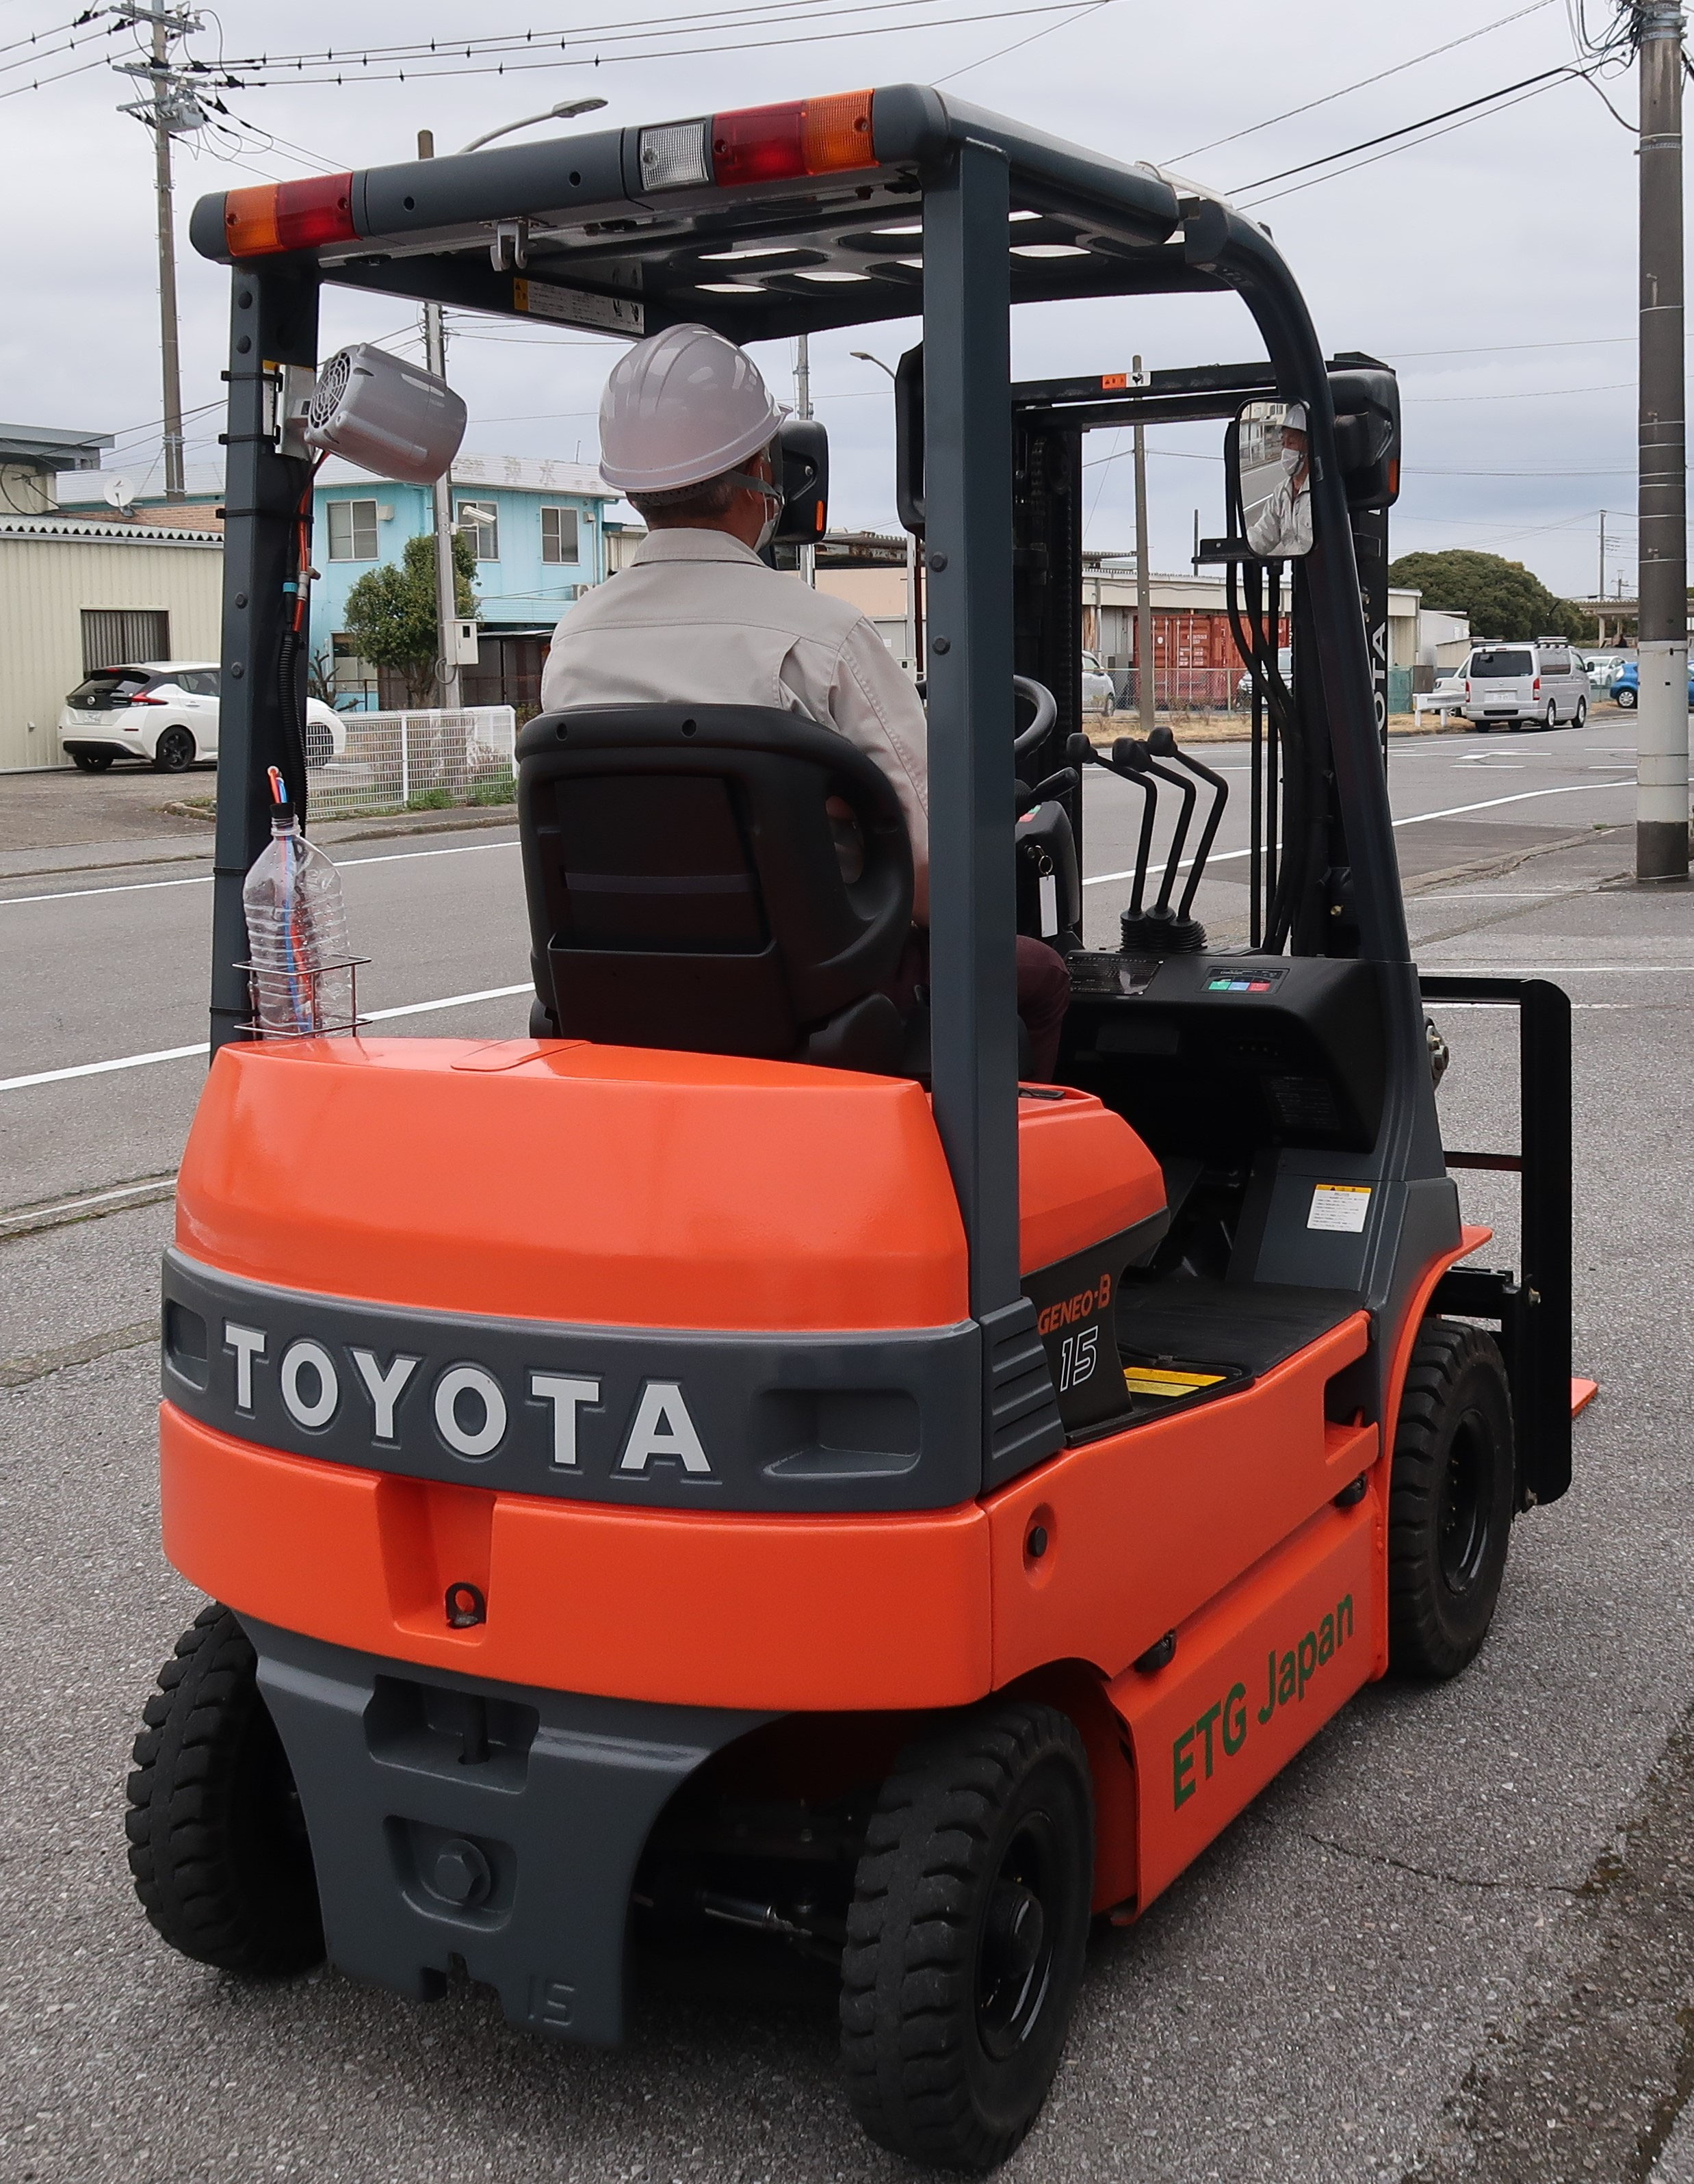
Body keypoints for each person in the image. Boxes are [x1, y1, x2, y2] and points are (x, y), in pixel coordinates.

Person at [540, 323, 1070, 1076]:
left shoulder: (576, 640)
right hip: (807, 988)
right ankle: (979, 1192)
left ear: (629, 486)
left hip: (624, 986)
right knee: (1039, 978)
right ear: (763, 466)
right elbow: (936, 876)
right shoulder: (823, 637)